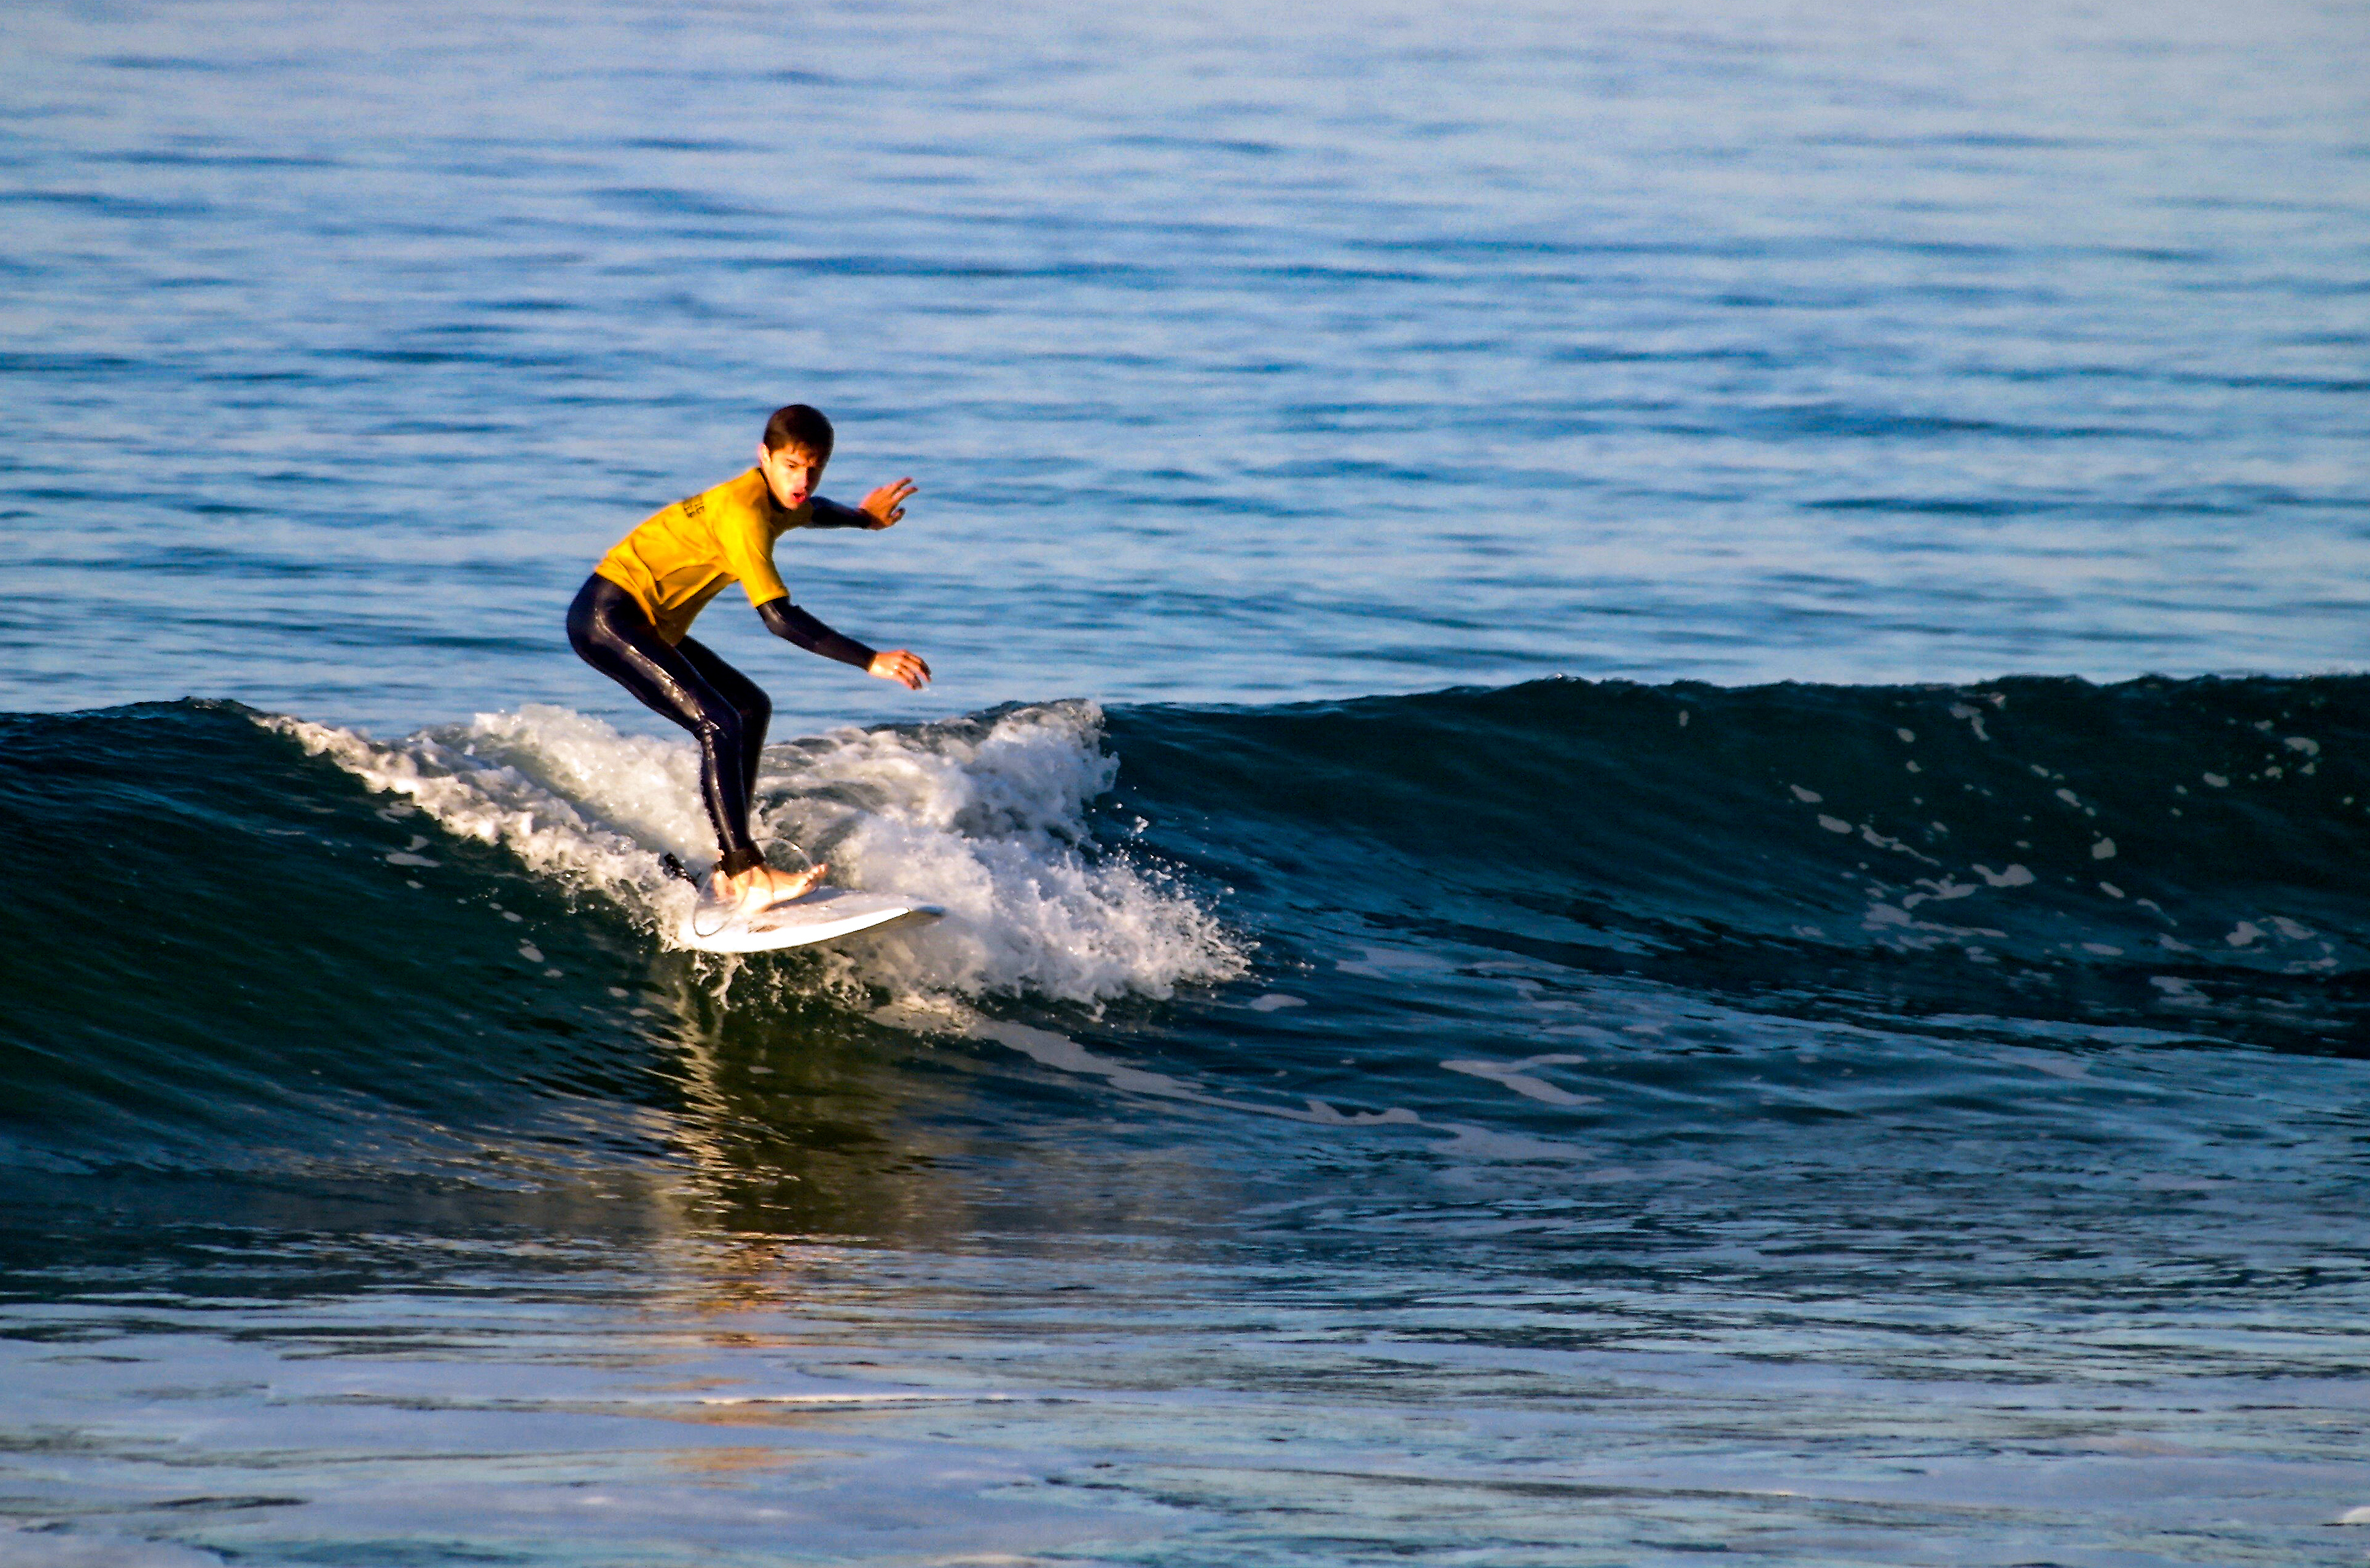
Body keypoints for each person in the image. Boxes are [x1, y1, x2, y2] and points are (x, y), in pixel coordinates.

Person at [567, 404, 931, 912]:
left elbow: (812, 508)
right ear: (764, 457)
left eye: (813, 467)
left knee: (749, 707)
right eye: (790, 466)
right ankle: (746, 870)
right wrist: (870, 659)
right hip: (609, 617)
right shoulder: (744, 514)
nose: (802, 479)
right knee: (718, 720)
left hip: (648, 622)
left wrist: (863, 519)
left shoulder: (778, 496)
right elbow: (779, 619)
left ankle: (729, 859)